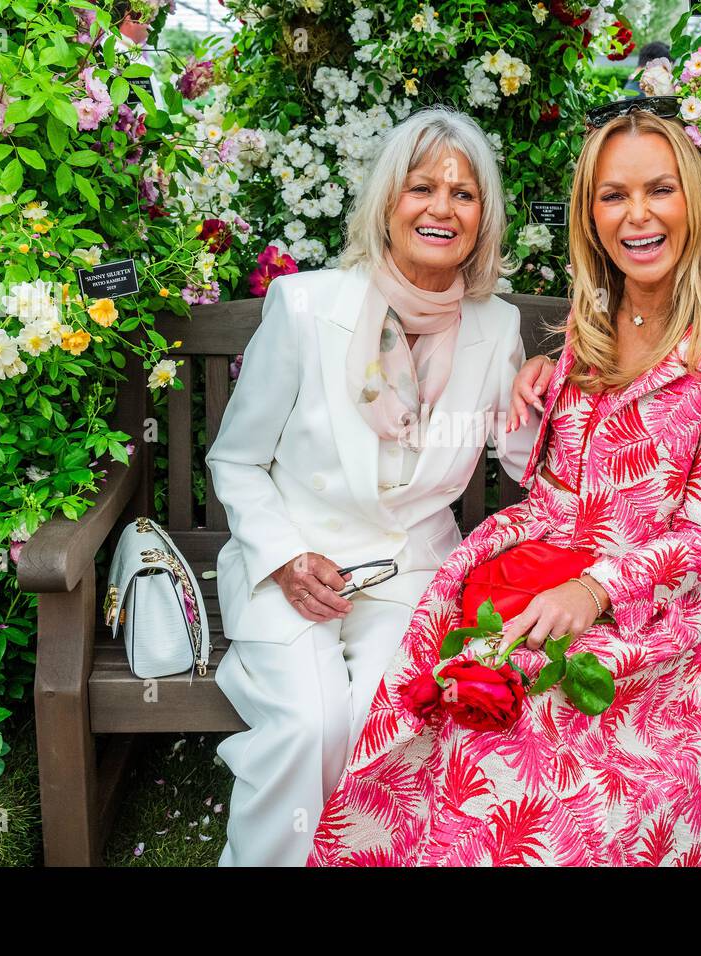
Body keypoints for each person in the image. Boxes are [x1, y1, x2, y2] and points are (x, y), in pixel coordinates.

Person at [306, 102, 701, 866]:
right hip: (527, 556)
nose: (637, 216)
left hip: (638, 598)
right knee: (422, 711)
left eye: (658, 190)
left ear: (693, 199)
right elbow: (550, 470)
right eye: (612, 195)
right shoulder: (596, 315)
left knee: (539, 762)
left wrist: (594, 592)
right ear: (590, 213)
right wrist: (544, 386)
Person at [206, 107, 538, 867]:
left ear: (483, 218)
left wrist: (554, 389)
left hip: (412, 574)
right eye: (422, 187)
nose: (441, 208)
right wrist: (285, 557)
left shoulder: (497, 325)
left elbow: (529, 464)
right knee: (308, 723)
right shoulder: (305, 306)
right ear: (388, 201)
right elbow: (237, 459)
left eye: (463, 194)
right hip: (293, 567)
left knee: (375, 719)